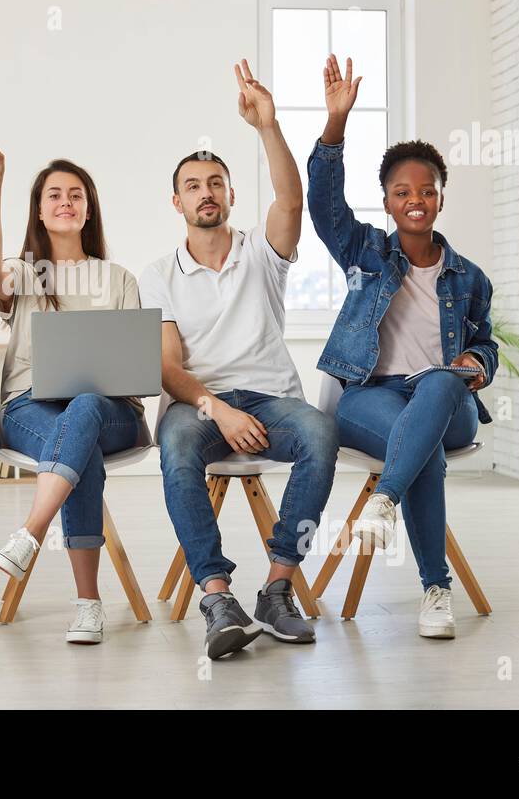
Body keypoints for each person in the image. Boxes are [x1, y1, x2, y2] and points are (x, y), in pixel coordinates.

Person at [139, 61, 338, 660]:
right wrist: (216, 409)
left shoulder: (261, 252)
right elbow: (167, 367)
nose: (207, 192)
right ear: (178, 201)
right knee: (174, 449)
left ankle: (278, 590)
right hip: (198, 405)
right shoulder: (159, 275)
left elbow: (290, 198)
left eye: (216, 183)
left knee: (320, 434)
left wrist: (267, 126)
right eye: (194, 185)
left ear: (229, 194)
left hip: (272, 398)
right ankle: (217, 597)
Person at [307, 54, 499, 639]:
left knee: (441, 381)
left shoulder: (469, 278)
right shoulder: (365, 252)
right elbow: (323, 206)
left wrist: (478, 363)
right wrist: (335, 125)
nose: (415, 199)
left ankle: (383, 500)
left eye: (427, 190)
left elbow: (486, 344)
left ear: (441, 197)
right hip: (371, 396)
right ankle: (435, 591)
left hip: (447, 401)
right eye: (401, 191)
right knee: (424, 453)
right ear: (387, 201)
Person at [0, 119, 143, 645]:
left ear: (88, 209)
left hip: (112, 411)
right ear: (41, 209)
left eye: (76, 195)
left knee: (88, 406)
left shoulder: (118, 279)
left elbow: (135, 376)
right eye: (54, 195)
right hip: (29, 409)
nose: (66, 202)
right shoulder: (25, 272)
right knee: (80, 446)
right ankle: (88, 603)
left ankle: (30, 533)